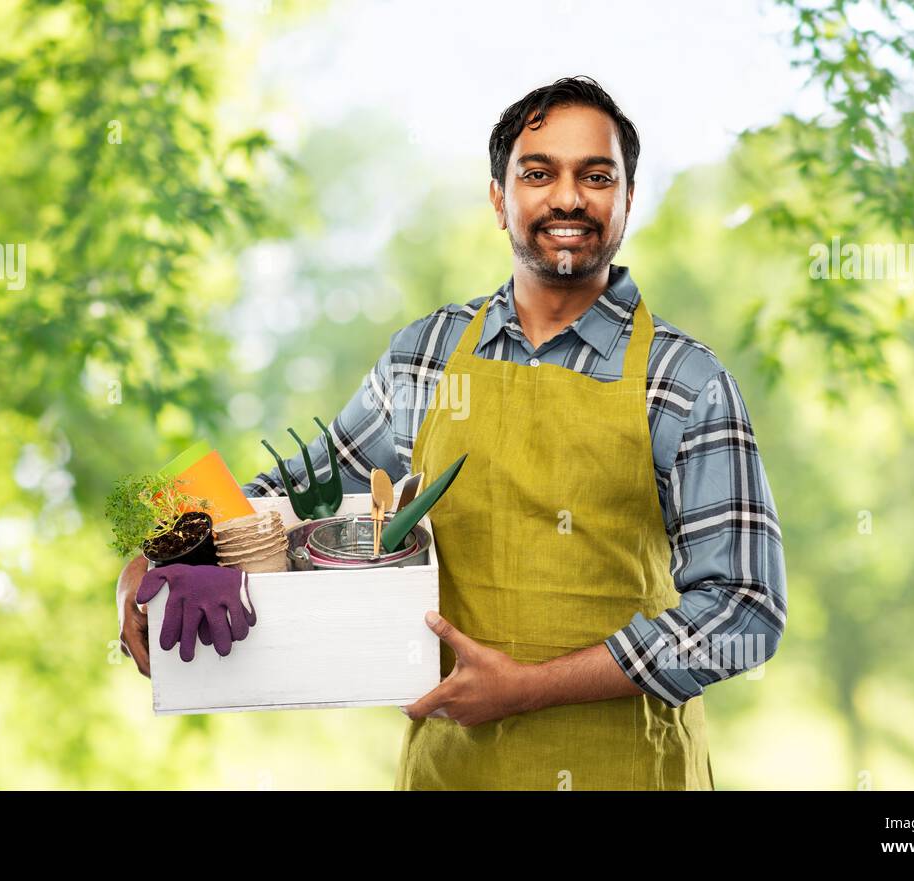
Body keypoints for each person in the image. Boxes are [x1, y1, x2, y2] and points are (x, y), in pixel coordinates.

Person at [118, 75, 787, 790]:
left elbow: (744, 607)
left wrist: (531, 685)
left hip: (627, 769)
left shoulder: (683, 379)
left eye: (597, 175)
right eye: (538, 173)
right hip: (453, 771)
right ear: (500, 199)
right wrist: (154, 549)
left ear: (627, 198)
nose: (568, 197)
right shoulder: (426, 356)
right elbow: (294, 490)